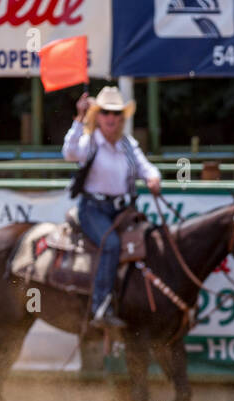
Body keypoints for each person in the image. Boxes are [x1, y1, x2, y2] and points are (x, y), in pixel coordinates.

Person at [62, 85, 163, 331]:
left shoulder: (127, 144)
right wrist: (79, 119)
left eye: (116, 113)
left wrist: (153, 177)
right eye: (106, 112)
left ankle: (136, 303)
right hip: (93, 208)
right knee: (112, 245)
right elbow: (69, 152)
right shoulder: (90, 142)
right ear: (97, 115)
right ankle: (101, 306)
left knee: (150, 240)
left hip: (122, 210)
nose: (111, 118)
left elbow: (145, 166)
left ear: (121, 118)